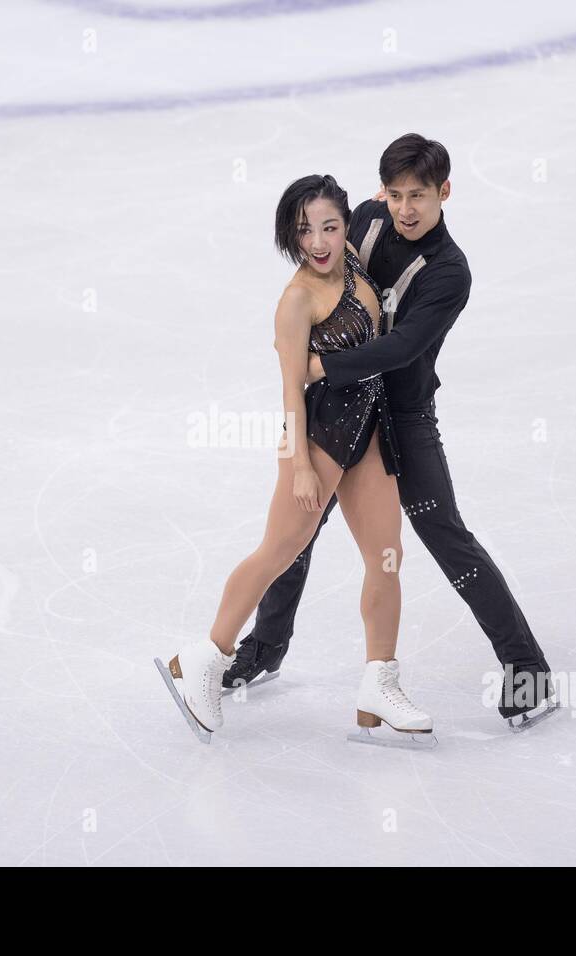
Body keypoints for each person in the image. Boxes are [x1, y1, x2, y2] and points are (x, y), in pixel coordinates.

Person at [224, 134, 557, 732]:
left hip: (403, 418)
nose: (406, 209)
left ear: (444, 193)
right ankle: (263, 650)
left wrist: (319, 365)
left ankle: (527, 670)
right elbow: (319, 279)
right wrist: (297, 345)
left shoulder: (450, 272)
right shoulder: (365, 221)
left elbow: (404, 347)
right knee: (299, 529)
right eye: (397, 194)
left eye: (420, 197)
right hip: (340, 412)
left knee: (446, 537)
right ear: (382, 193)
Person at [155, 174, 432, 744]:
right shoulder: (297, 300)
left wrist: (384, 196)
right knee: (279, 551)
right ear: (292, 234)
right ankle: (205, 657)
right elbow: (289, 394)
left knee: (386, 555)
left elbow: (373, 211)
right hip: (317, 436)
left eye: (331, 226)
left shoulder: (354, 254)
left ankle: (380, 680)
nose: (321, 241)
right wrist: (302, 465)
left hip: (369, 431)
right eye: (306, 231)